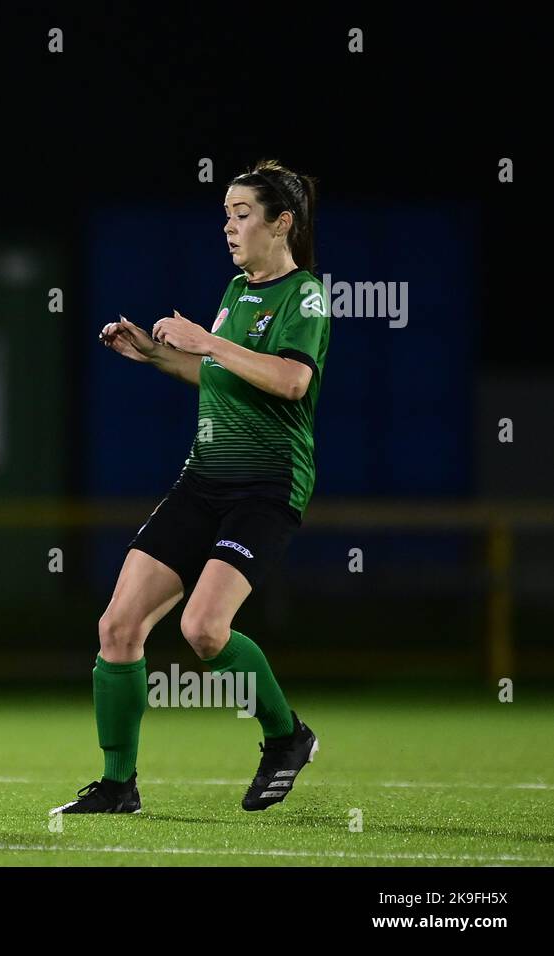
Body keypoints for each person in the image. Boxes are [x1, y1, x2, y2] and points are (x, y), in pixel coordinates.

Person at [55, 160, 329, 814]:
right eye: (226, 216)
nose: (229, 228)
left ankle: (286, 736)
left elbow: (292, 380)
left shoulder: (306, 295)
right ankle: (119, 786)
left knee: (205, 629)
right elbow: (219, 376)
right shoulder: (239, 291)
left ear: (280, 221)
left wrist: (208, 341)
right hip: (202, 481)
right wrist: (152, 352)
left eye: (242, 215)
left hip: (265, 488)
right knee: (118, 626)